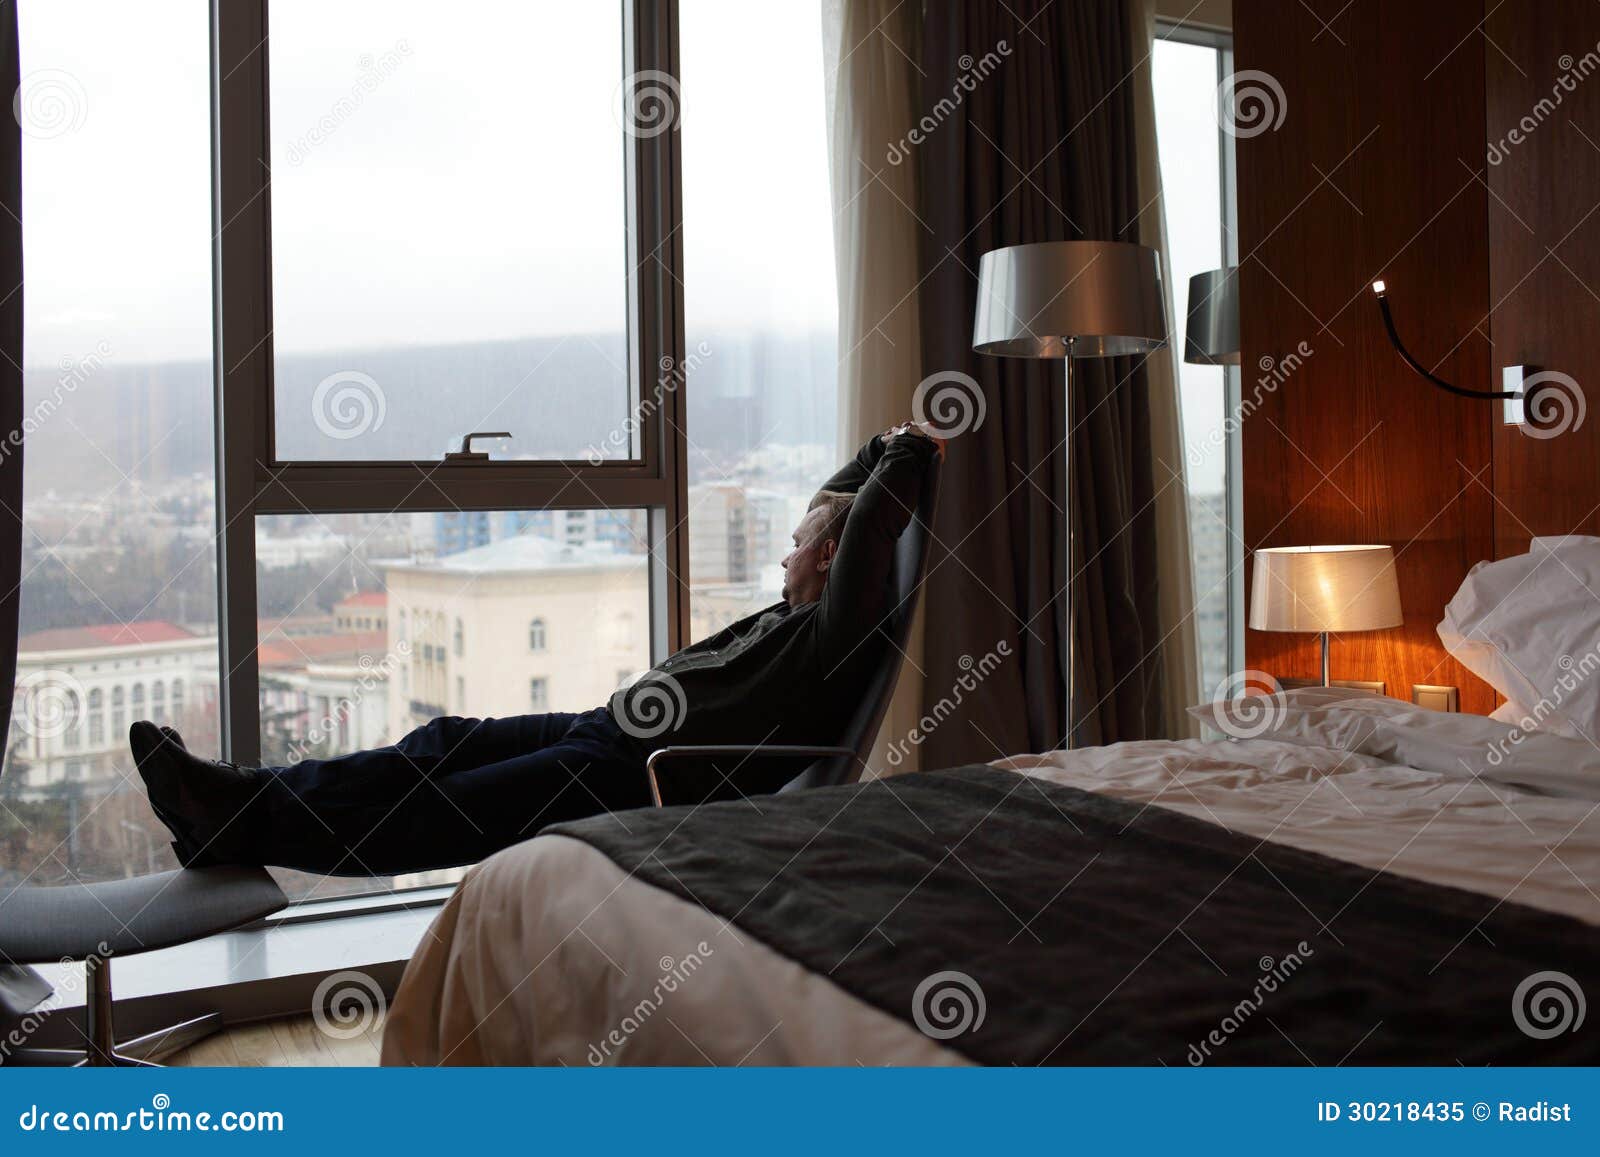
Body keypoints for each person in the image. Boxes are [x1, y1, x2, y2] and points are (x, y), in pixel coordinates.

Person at [132, 422, 944, 876]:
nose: (782, 556)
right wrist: (885, 442)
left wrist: (910, 451)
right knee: (442, 741)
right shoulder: (794, 611)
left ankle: (241, 827)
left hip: (637, 774)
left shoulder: (832, 634)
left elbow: (871, 517)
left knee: (439, 812)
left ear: (830, 558)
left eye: (797, 544)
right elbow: (847, 496)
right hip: (607, 729)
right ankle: (240, 794)